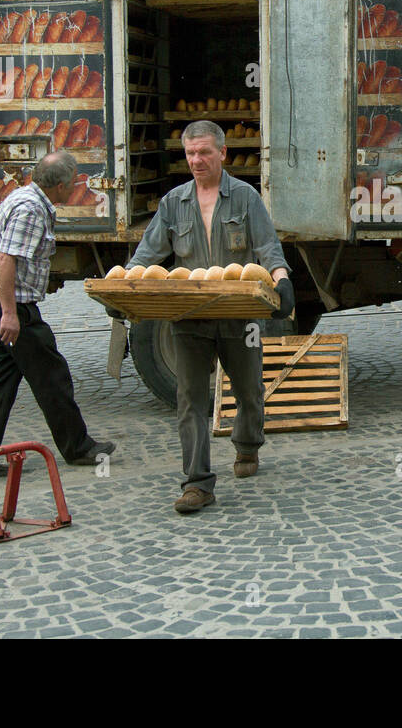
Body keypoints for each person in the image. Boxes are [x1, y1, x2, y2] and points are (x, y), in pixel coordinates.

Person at [124, 120, 294, 514]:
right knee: (190, 400)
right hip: (190, 319)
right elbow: (144, 257)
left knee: (249, 390)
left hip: (240, 318)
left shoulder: (246, 198)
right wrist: (126, 290)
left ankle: (248, 444)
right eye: (190, 154)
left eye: (204, 153)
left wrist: (282, 282)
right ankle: (197, 483)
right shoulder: (173, 203)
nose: (196, 161)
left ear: (223, 154)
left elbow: (268, 249)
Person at [0, 151, 115, 482]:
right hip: (13, 308)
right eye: (73, 182)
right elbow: (4, 260)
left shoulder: (22, 195)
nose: (75, 187)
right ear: (60, 185)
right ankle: (79, 447)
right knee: (52, 377)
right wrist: (11, 314)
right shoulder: (30, 209)